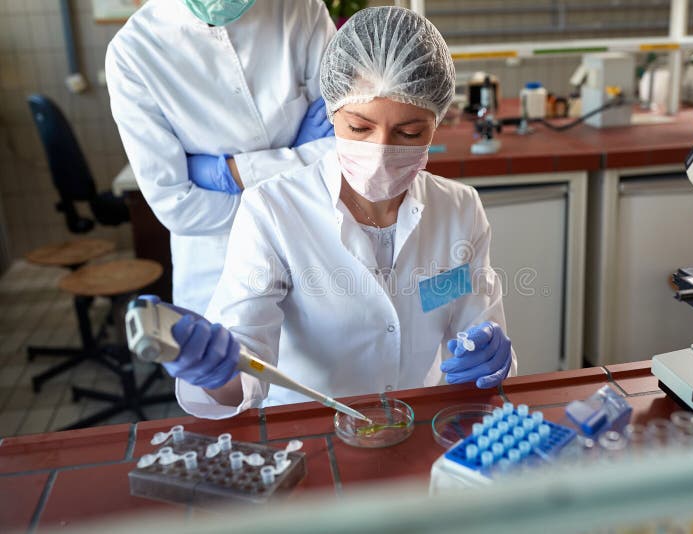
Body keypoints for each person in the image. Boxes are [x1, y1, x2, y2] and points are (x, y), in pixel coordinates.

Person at [152, 6, 517, 419]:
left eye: (409, 132)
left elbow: (477, 334)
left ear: (437, 123)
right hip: (309, 429)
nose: (380, 150)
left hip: (415, 423)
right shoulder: (273, 211)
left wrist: (490, 360)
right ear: (331, 112)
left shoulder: (458, 208)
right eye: (359, 128)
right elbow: (245, 366)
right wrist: (214, 370)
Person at [106, 0, 337, 314]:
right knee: (229, 345)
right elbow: (178, 207)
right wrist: (297, 163)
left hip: (312, 256)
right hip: (215, 270)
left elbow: (345, 147)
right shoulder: (133, 51)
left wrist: (230, 173)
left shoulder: (301, 10)